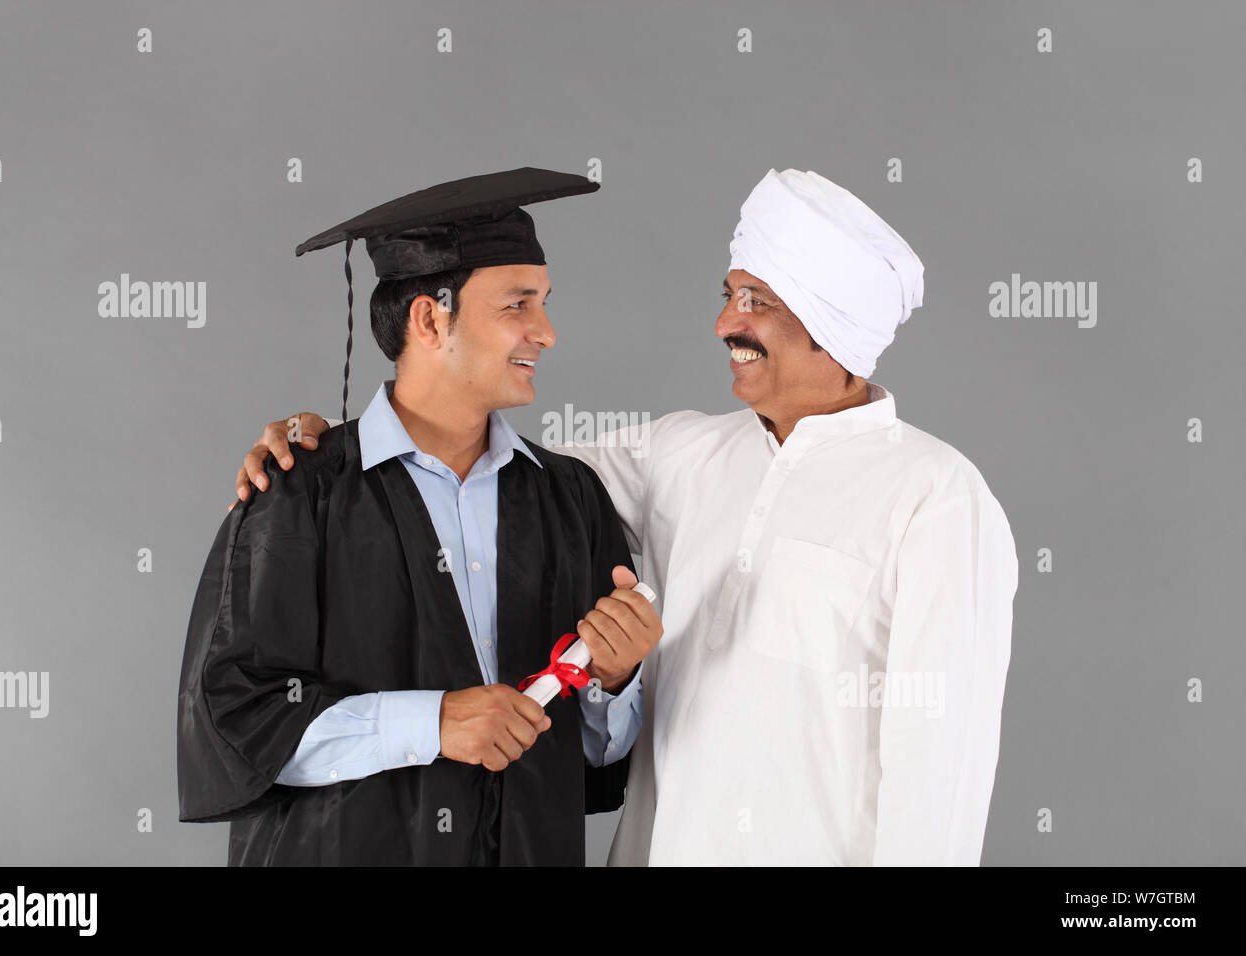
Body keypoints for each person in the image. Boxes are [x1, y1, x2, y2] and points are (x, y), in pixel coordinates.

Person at [231, 168, 1018, 866]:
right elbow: (471, 462)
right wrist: (325, 446)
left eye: (758, 303)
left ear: (836, 324)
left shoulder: (935, 498)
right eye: (727, 294)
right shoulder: (685, 454)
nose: (725, 324)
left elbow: (937, 778)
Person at [178, 168, 663, 866]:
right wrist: (432, 723)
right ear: (431, 318)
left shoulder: (570, 497)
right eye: (518, 305)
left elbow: (592, 758)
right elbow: (234, 722)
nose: (547, 332)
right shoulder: (300, 491)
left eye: (545, 303)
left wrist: (613, 683)